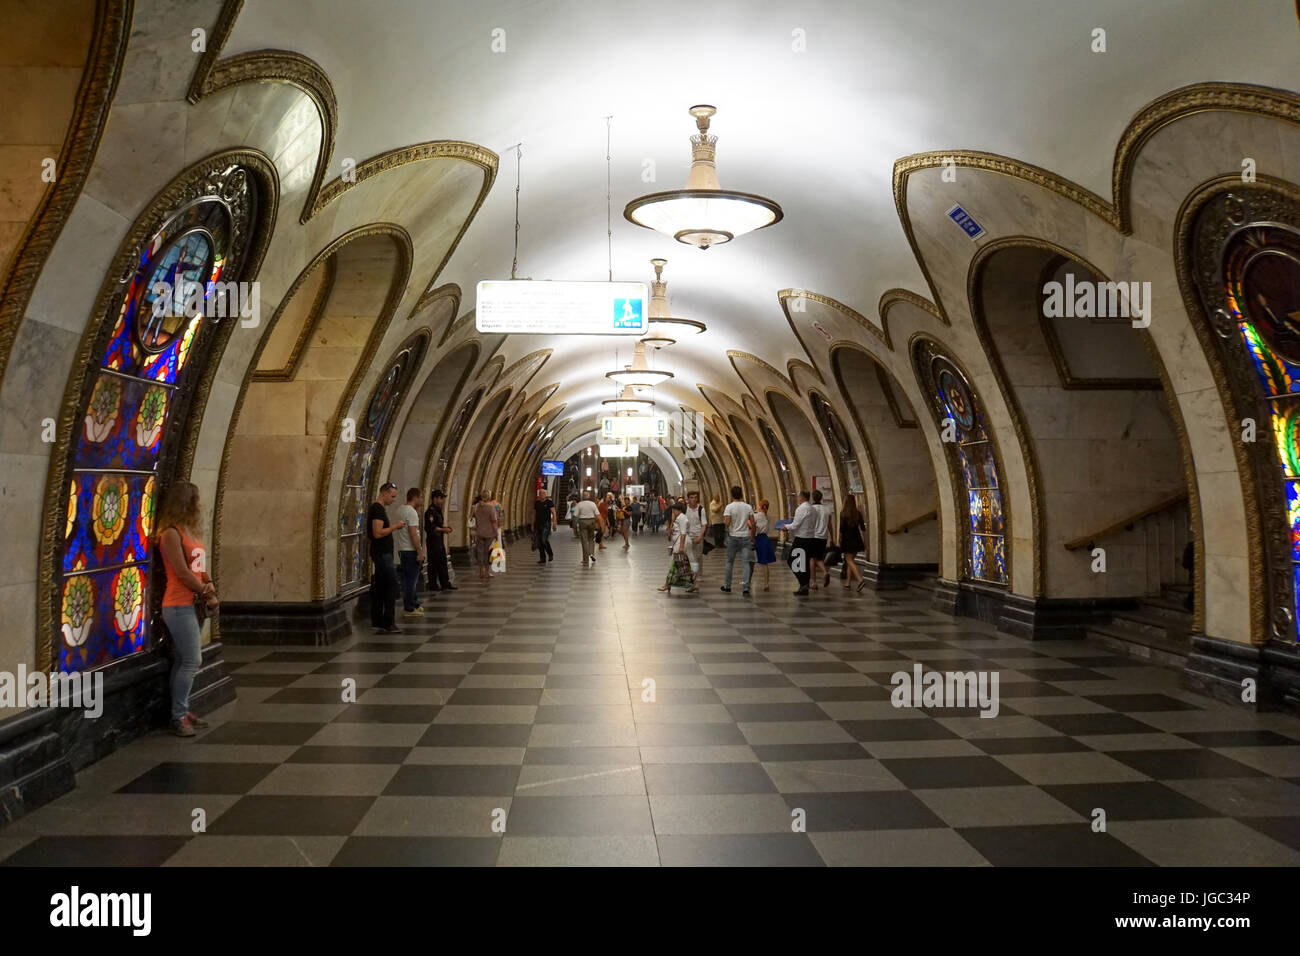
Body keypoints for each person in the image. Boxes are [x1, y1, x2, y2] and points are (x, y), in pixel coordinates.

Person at [155, 480, 219, 737]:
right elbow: (181, 572)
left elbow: (200, 566)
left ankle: (182, 709)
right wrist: (205, 592)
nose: (199, 505)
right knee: (193, 660)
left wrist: (210, 584)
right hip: (178, 604)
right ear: (186, 503)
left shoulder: (192, 531)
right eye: (196, 500)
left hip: (195, 603)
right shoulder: (171, 534)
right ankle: (178, 716)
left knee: (184, 659)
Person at [368, 481, 405, 632]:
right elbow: (377, 533)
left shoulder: (379, 508)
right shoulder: (377, 509)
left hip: (383, 553)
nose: (394, 500)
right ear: (384, 493)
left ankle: (378, 620)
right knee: (391, 585)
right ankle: (389, 621)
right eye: (392, 496)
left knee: (381, 586)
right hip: (382, 554)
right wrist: (395, 526)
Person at [393, 487, 425, 617]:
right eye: (421, 497)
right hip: (411, 550)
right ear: (415, 497)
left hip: (402, 549)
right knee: (411, 581)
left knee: (408, 579)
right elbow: (413, 534)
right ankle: (409, 608)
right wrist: (420, 552)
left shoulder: (400, 510)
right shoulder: (411, 512)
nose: (422, 500)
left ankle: (414, 603)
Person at [720, 485, 756, 596]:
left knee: (729, 562)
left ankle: (727, 586)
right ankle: (745, 587)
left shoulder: (729, 507)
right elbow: (753, 523)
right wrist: (753, 536)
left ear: (732, 495)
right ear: (741, 494)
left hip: (733, 537)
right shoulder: (748, 507)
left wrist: (728, 523)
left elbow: (727, 523)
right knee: (745, 563)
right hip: (745, 537)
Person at [658, 501, 693, 594]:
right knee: (690, 562)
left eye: (674, 510)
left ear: (679, 510)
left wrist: (681, 546)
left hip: (682, 543)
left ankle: (667, 584)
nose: (673, 512)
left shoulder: (682, 518)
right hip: (679, 542)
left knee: (673, 563)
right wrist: (672, 522)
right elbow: (671, 533)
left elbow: (683, 533)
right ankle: (693, 584)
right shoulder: (678, 518)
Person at [424, 488, 455, 591]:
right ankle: (433, 584)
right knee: (433, 563)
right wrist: (443, 530)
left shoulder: (438, 511)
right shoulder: (430, 512)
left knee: (442, 562)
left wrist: (445, 528)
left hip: (439, 540)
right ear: (435, 499)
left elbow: (439, 525)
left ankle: (445, 583)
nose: (441, 501)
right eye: (440, 498)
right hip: (433, 541)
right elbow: (431, 527)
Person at [787, 490, 817, 596]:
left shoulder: (801, 508)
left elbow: (795, 525)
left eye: (799, 496)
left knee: (791, 560)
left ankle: (803, 583)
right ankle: (804, 586)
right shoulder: (813, 509)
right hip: (811, 539)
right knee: (805, 563)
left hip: (801, 539)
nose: (798, 498)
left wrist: (785, 527)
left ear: (802, 497)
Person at [839, 494, 866, 592]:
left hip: (847, 539)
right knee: (851, 561)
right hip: (857, 539)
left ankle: (860, 580)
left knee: (849, 560)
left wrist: (839, 540)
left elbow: (841, 529)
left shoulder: (843, 513)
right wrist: (865, 541)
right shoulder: (858, 513)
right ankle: (848, 583)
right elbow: (863, 528)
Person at [682, 489, 706, 592]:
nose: (694, 499)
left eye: (695, 497)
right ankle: (694, 580)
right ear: (688, 499)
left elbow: (704, 524)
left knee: (697, 557)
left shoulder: (701, 509)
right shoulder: (685, 509)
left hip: (697, 536)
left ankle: (696, 578)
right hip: (688, 536)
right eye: (691, 497)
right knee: (691, 559)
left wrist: (700, 536)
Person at [472, 489, 498, 582]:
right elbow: (494, 521)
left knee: (480, 552)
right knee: (487, 552)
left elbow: (474, 518)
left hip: (479, 532)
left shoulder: (476, 507)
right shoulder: (491, 508)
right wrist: (496, 533)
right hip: (489, 533)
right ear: (489, 497)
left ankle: (481, 572)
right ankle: (487, 572)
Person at [752, 498, 776, 591]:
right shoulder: (767, 517)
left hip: (757, 539)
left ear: (759, 506)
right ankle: (766, 584)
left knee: (752, 562)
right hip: (765, 539)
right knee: (764, 563)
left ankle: (748, 582)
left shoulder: (755, 516)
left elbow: (752, 526)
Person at [810, 488, 832, 589]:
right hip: (823, 537)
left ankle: (813, 582)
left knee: (811, 559)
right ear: (821, 498)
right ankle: (825, 572)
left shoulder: (810, 509)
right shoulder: (826, 509)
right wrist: (832, 537)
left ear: (813, 498)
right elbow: (829, 525)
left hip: (813, 536)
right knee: (819, 558)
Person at [573, 491, 601, 565]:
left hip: (582, 522)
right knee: (591, 539)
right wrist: (601, 525)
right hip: (591, 521)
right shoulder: (593, 504)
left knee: (584, 540)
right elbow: (598, 515)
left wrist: (574, 527)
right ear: (588, 496)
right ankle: (591, 553)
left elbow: (575, 517)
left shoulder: (579, 504)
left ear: (582, 496)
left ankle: (585, 559)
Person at [533, 488, 557, 564]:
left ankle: (550, 554)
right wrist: (532, 524)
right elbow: (534, 514)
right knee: (539, 541)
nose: (542, 495)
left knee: (544, 540)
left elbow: (554, 513)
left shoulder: (549, 502)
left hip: (546, 524)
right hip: (538, 524)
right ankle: (542, 558)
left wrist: (554, 523)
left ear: (545, 494)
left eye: (543, 493)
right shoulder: (537, 503)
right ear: (539, 495)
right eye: (541, 493)